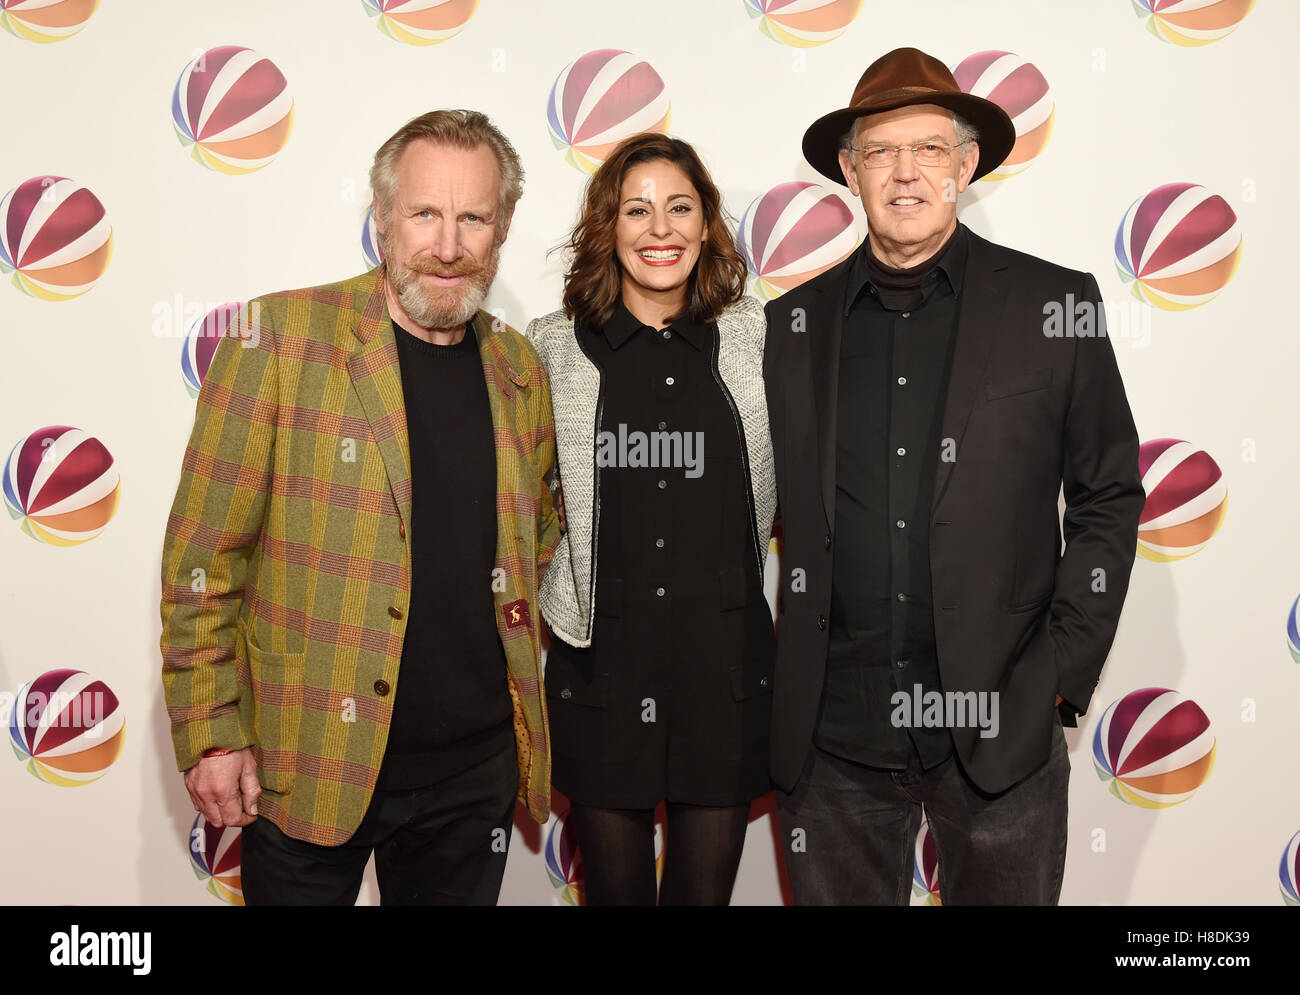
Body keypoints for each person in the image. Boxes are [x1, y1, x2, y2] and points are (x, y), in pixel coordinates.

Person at [765, 47, 1144, 905]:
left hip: (1001, 731)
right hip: (833, 743)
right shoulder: (791, 326)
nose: (905, 174)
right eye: (882, 152)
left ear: (966, 165)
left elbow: (1109, 495)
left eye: (929, 149)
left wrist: (1059, 669)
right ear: (848, 170)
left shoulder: (1057, 304)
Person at [159, 109, 562, 905]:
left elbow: (538, 540)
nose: (448, 245)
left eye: (473, 217)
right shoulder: (275, 339)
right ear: (380, 218)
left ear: (502, 228)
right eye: (424, 214)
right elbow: (204, 562)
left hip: (474, 773)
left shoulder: (519, 367)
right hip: (307, 762)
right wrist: (210, 731)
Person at [526, 133, 777, 905]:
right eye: (637, 210)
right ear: (609, 226)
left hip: (725, 674)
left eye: (679, 207)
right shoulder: (552, 348)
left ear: (706, 225)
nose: (659, 228)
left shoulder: (757, 338)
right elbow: (526, 502)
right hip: (600, 671)